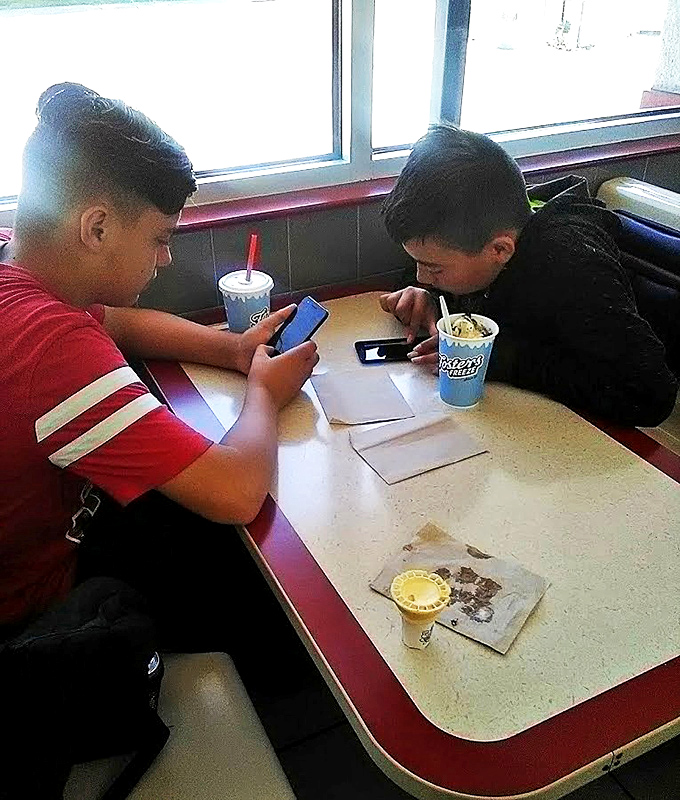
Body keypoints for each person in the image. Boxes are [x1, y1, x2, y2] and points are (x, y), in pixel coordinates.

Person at [0, 83, 318, 649]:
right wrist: (265, 393)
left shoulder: (21, 265)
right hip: (37, 607)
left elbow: (118, 323)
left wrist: (232, 350)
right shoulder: (50, 349)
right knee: (251, 560)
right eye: (159, 239)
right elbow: (237, 491)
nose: (165, 259)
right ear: (97, 228)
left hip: (59, 528)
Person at [379, 124, 678, 427]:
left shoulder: (571, 269)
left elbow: (650, 396)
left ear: (499, 250)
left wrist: (502, 359)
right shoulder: (483, 226)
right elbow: (430, 268)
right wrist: (424, 295)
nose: (421, 275)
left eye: (434, 269)